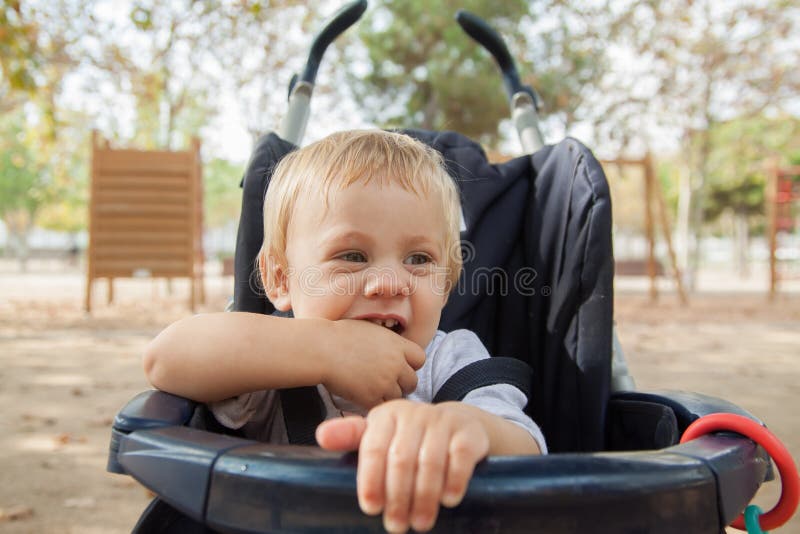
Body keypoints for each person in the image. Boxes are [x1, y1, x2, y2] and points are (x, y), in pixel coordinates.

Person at [143, 129, 546, 534]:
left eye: (419, 259)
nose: (390, 281)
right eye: (352, 256)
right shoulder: (268, 360)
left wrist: (463, 427)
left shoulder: (451, 360)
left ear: (446, 283)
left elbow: (527, 448)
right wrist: (321, 349)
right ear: (281, 279)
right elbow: (165, 359)